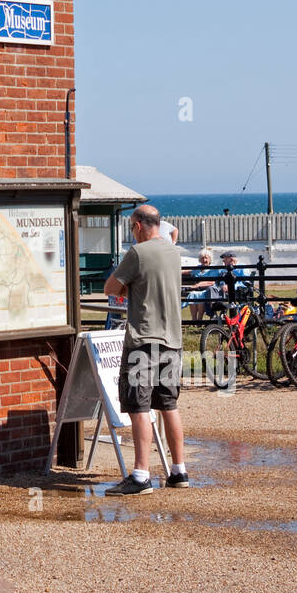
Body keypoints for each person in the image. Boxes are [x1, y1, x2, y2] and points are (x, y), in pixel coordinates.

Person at [103, 204, 189, 493]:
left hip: (143, 340)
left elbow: (110, 288)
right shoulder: (173, 253)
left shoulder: (138, 254)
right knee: (168, 404)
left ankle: (140, 475)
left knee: (139, 406)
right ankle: (179, 471)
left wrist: (129, 288)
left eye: (131, 227)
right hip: (172, 340)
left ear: (138, 225)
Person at [184, 249, 221, 323]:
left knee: (201, 296)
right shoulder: (197, 268)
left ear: (210, 259)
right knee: (192, 294)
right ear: (199, 259)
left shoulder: (213, 269)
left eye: (206, 258)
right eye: (202, 258)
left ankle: (199, 320)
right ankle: (194, 320)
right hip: (197, 290)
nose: (204, 260)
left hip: (208, 291)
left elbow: (211, 282)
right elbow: (188, 271)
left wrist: (197, 285)